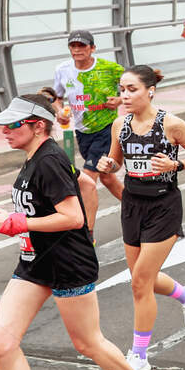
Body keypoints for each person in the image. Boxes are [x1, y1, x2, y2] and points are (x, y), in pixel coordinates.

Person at [0, 94, 164, 370]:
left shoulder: (48, 160)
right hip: (34, 263)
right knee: (0, 345)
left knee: (87, 343)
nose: (5, 131)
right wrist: (80, 230)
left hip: (67, 264)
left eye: (14, 125)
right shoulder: (37, 157)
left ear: (38, 126)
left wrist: (18, 222)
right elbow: (88, 187)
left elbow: (71, 216)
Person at [96, 66, 185, 370]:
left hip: (164, 205)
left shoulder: (172, 124)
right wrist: (108, 164)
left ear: (150, 91)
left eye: (131, 89)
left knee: (139, 283)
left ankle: (140, 356)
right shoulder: (120, 124)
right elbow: (116, 161)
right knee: (141, 277)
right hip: (132, 204)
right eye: (122, 90)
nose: (125, 96)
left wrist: (177, 164)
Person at [52, 30, 124, 237]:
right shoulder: (63, 70)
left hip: (107, 130)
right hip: (83, 132)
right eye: (73, 46)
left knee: (87, 179)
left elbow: (138, 85)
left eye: (82, 46)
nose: (77, 50)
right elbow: (56, 97)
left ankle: (87, 232)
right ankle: (138, 206)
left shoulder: (109, 68)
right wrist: (60, 112)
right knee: (108, 179)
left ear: (92, 48)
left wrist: (119, 100)